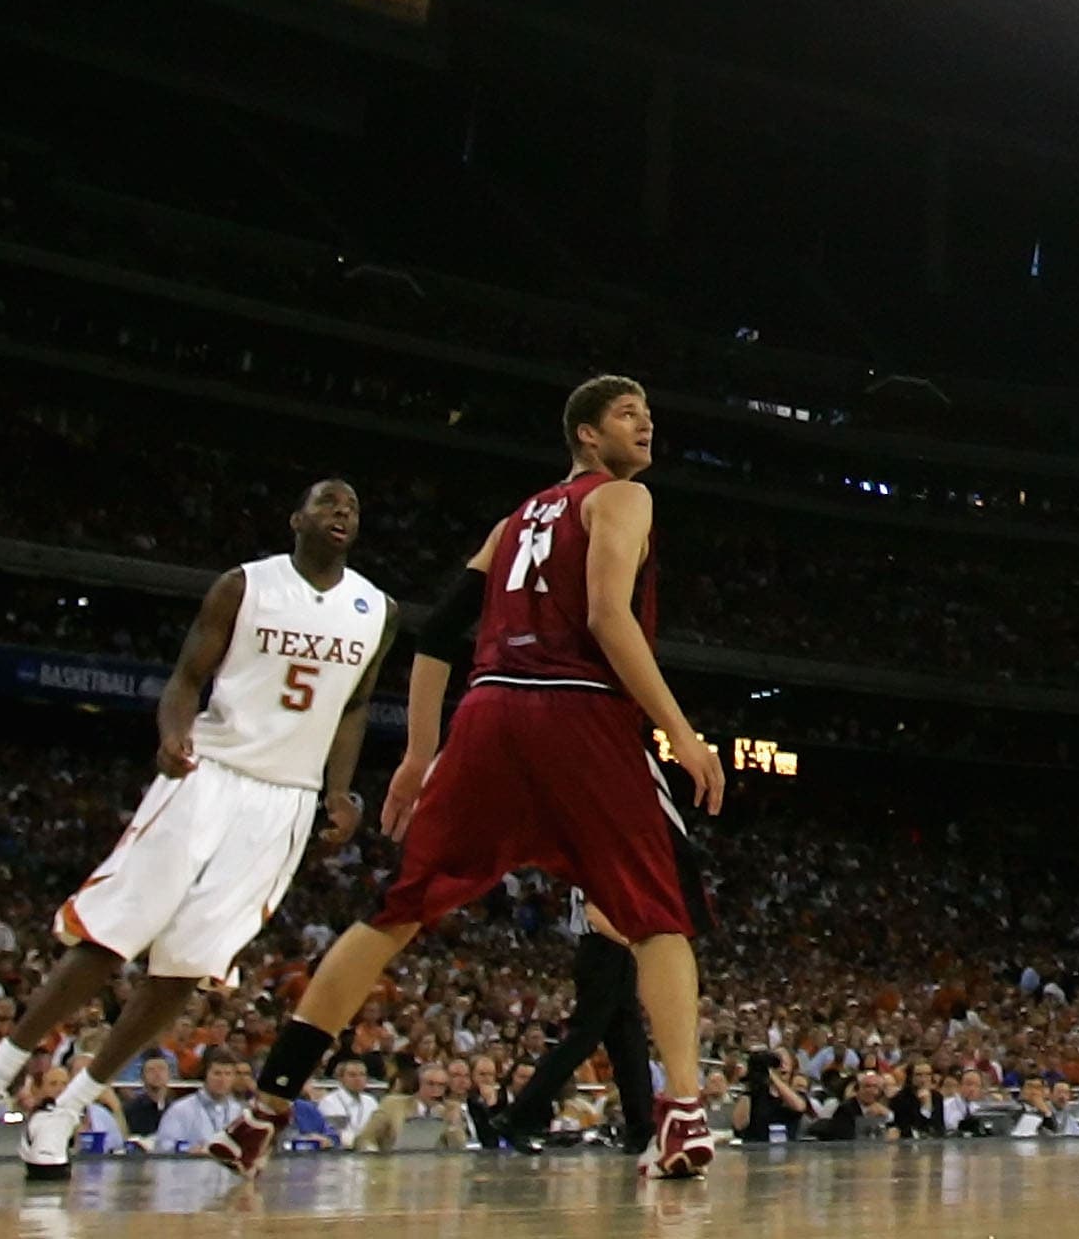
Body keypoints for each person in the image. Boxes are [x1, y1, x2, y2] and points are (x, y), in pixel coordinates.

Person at [211, 378, 727, 1180]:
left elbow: (441, 627)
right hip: (575, 711)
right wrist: (680, 731)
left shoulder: (514, 519)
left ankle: (265, 1106)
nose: (647, 423)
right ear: (587, 436)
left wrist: (421, 751)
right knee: (664, 911)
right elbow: (605, 616)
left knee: (396, 909)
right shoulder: (622, 498)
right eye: (629, 413)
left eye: (649, 412)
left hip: (487, 716)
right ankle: (685, 1115)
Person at [0, 481, 392, 1176]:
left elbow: (354, 707)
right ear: (298, 518)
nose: (342, 513)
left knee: (188, 966)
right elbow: (184, 677)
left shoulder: (376, 609)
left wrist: (340, 790)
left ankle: (69, 1106)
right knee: (112, 933)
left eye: (352, 508)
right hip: (209, 775)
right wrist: (173, 734)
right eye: (328, 503)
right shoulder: (243, 586)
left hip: (286, 800)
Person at [489, 896, 651, 1154]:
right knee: (584, 1037)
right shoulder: (599, 857)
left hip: (615, 949)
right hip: (604, 946)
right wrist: (636, 945)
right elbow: (594, 912)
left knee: (628, 1041)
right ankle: (517, 1116)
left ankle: (642, 1129)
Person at [154, 1052, 249, 1153]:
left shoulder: (240, 1112)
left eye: (228, 1074)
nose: (223, 1079)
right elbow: (163, 1144)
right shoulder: (181, 1109)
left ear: (234, 1078)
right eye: (217, 1073)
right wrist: (188, 1149)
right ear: (206, 1075)